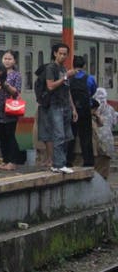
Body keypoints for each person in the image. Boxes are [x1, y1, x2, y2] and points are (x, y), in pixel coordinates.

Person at [37, 42, 78, 174]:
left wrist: (73, 108)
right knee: (59, 135)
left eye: (65, 54)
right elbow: (50, 86)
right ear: (55, 53)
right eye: (60, 53)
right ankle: (58, 164)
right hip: (54, 105)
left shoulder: (64, 69)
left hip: (65, 105)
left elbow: (67, 90)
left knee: (67, 136)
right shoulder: (51, 68)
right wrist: (66, 76)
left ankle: (61, 163)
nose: (62, 56)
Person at [0, 50, 26, 170]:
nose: (7, 61)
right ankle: (5, 160)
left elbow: (16, 92)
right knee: (1, 135)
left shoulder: (16, 75)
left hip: (10, 109)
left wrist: (4, 83)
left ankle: (13, 161)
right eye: (5, 58)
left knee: (10, 135)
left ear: (14, 61)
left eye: (9, 59)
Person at [67, 55, 97, 167]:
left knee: (71, 136)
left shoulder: (69, 78)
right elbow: (93, 90)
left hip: (71, 110)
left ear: (73, 65)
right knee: (86, 136)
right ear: (84, 66)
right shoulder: (89, 78)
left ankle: (68, 161)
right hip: (85, 110)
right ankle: (88, 162)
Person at [92, 88, 115, 179]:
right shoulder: (111, 109)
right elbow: (113, 124)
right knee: (104, 174)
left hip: (96, 145)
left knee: (95, 173)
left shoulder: (93, 109)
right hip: (108, 144)